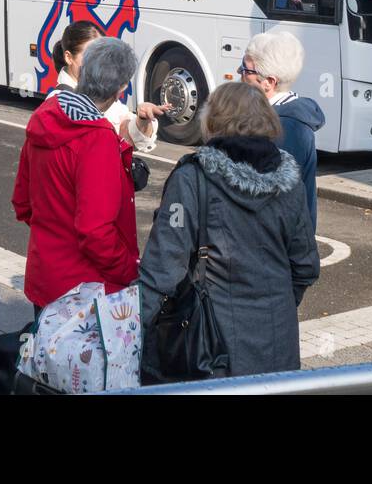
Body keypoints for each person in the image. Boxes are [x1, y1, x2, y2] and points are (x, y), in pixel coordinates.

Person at [138, 82, 320, 378]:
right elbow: (306, 266)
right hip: (279, 342)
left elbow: (162, 269)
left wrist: (132, 330)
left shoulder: (193, 178)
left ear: (212, 121)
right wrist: (279, 301)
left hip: (211, 345)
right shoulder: (291, 182)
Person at [13, 36, 141, 314]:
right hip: (85, 292)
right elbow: (96, 233)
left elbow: (22, 203)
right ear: (121, 88)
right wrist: (130, 270)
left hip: (44, 277)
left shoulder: (43, 116)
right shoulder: (97, 139)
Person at [240, 30, 324, 229]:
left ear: (269, 82)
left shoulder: (286, 126)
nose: (239, 72)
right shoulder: (278, 117)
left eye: (246, 69)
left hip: (277, 244)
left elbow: (273, 196)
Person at [47, 21, 166, 154]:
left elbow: (128, 135)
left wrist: (142, 120)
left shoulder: (98, 91)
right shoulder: (59, 102)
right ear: (69, 57)